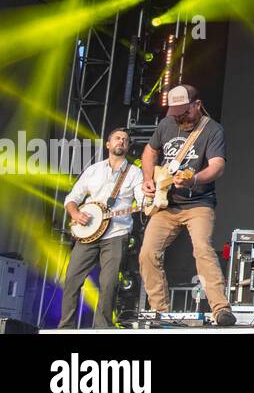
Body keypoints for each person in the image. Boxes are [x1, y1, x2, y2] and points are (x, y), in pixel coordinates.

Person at [139, 83, 235, 326]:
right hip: (166, 205)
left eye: (185, 112)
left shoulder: (213, 130)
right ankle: (160, 311)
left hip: (198, 204)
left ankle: (221, 309)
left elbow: (217, 166)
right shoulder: (166, 124)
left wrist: (195, 179)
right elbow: (150, 152)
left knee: (202, 249)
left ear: (197, 105)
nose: (180, 117)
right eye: (176, 113)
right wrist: (148, 179)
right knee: (148, 253)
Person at [59, 128, 144, 328]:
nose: (121, 141)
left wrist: (148, 202)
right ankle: (66, 327)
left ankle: (102, 328)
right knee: (72, 279)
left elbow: (142, 200)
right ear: (108, 144)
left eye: (125, 139)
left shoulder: (134, 172)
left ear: (128, 146)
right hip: (87, 234)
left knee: (109, 283)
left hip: (116, 233)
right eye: (117, 138)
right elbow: (72, 198)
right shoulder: (93, 169)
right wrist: (75, 214)